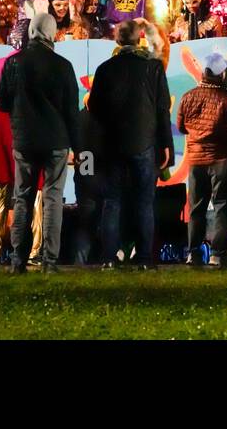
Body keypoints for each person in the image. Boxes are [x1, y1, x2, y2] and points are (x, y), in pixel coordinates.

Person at [0, 11, 81, 272]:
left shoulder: (12, 63)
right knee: (53, 198)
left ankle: (17, 261)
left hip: (24, 140)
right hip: (56, 141)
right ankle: (49, 261)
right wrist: (78, 147)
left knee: (22, 198)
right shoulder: (63, 65)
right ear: (52, 33)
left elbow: (0, 102)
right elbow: (71, 111)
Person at [86, 20, 174, 269]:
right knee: (145, 201)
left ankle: (109, 258)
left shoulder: (105, 69)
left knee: (112, 201)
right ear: (139, 40)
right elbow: (162, 108)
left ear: (117, 40)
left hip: (112, 144)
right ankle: (145, 258)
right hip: (145, 142)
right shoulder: (153, 68)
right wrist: (166, 143)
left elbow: (95, 108)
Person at [177, 52, 227, 267]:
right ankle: (218, 254)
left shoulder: (188, 96)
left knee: (196, 207)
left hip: (196, 161)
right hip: (222, 160)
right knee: (223, 206)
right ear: (220, 74)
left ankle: (194, 253)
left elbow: (180, 127)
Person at [0, 50, 43, 267]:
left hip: (1, 125)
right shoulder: (39, 64)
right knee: (35, 189)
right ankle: (35, 251)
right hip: (29, 125)